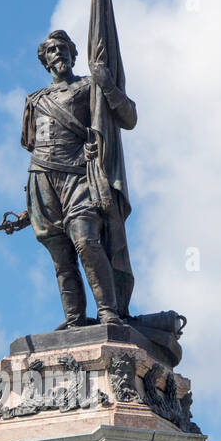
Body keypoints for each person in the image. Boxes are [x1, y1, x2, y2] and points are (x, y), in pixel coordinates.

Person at [18, 29, 137, 328]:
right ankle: (74, 319)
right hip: (42, 179)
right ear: (45, 61)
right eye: (51, 51)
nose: (57, 54)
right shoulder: (35, 100)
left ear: (73, 54)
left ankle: (108, 312)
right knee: (60, 255)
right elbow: (36, 148)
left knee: (85, 241)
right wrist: (27, 208)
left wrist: (107, 83)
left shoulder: (89, 87)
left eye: (62, 48)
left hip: (80, 177)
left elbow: (129, 117)